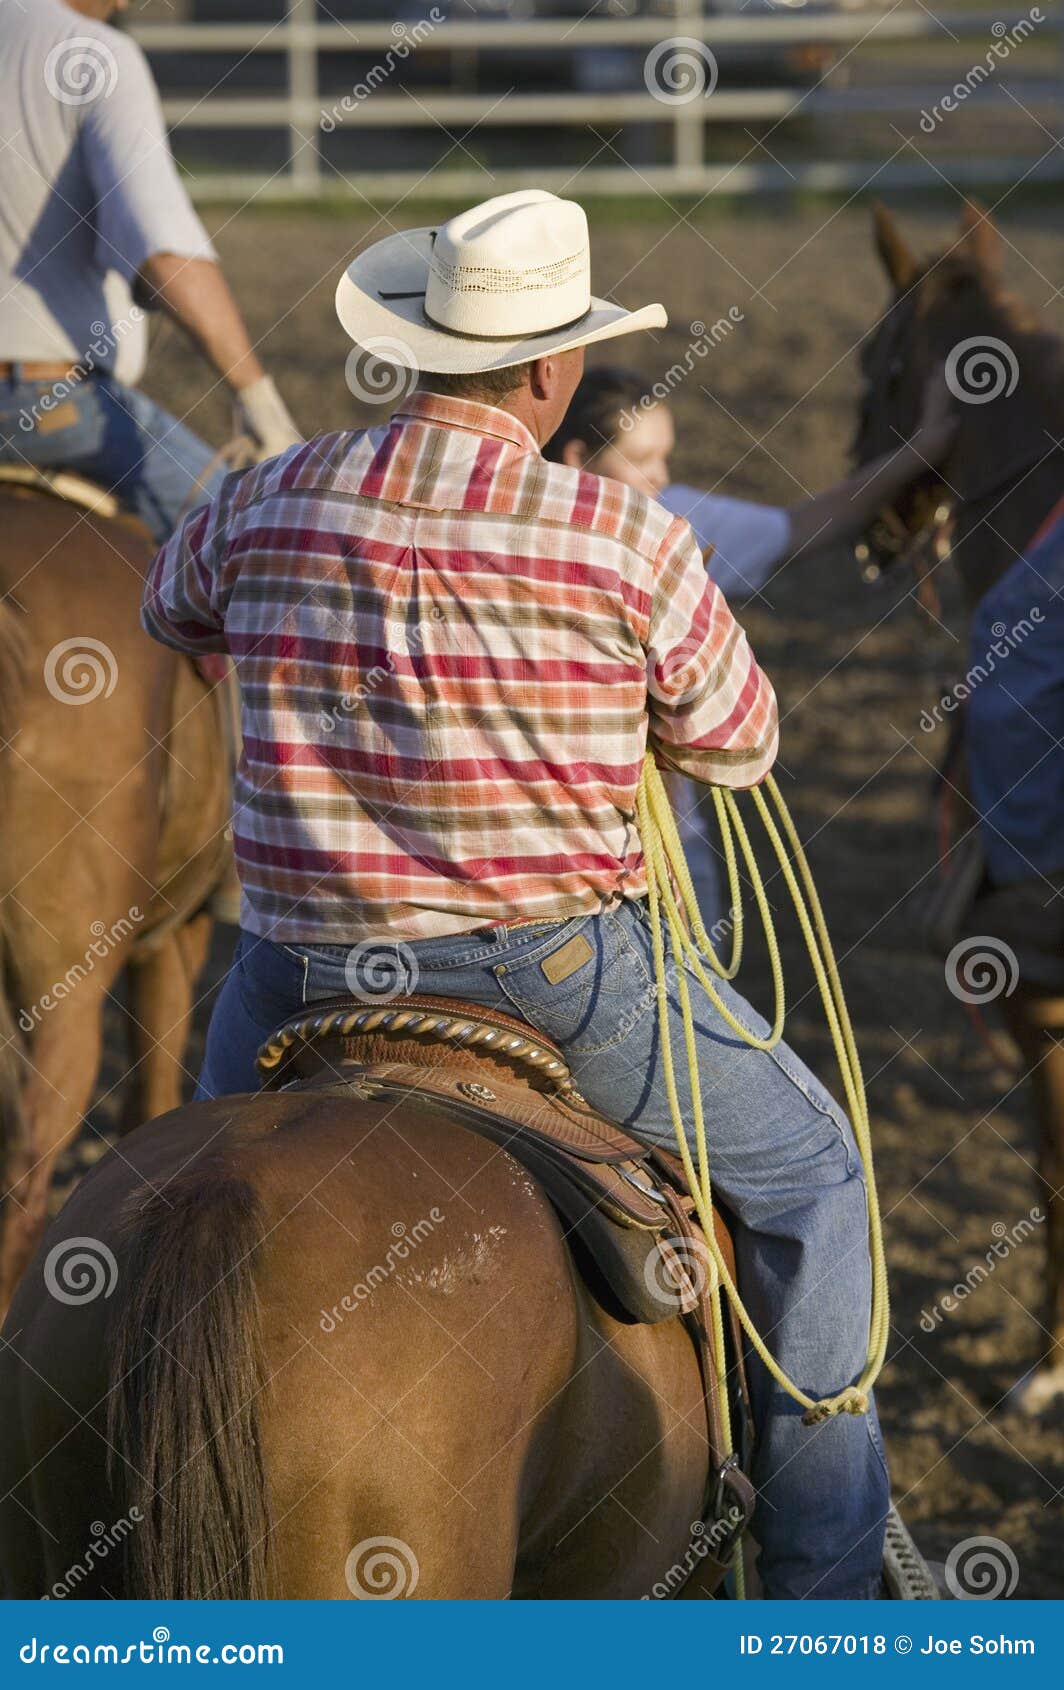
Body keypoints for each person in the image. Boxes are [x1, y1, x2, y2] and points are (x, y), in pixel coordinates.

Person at [142, 188, 889, 1599]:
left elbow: (171, 609)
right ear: (553, 370)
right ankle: (824, 1581)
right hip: (554, 972)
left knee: (190, 1211)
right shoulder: (623, 536)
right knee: (813, 1176)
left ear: (417, 346)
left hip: (294, 972)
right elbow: (738, 742)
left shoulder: (265, 493)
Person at [545, 365, 957, 923]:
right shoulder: (668, 529)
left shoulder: (671, 517)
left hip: (611, 845)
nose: (661, 476)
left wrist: (921, 451)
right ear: (577, 458)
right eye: (642, 460)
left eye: (665, 456)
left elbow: (807, 524)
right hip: (643, 844)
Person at [0, 0, 301, 540]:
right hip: (45, 406)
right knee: (248, 537)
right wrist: (258, 400)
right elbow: (163, 253)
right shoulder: (96, 56)